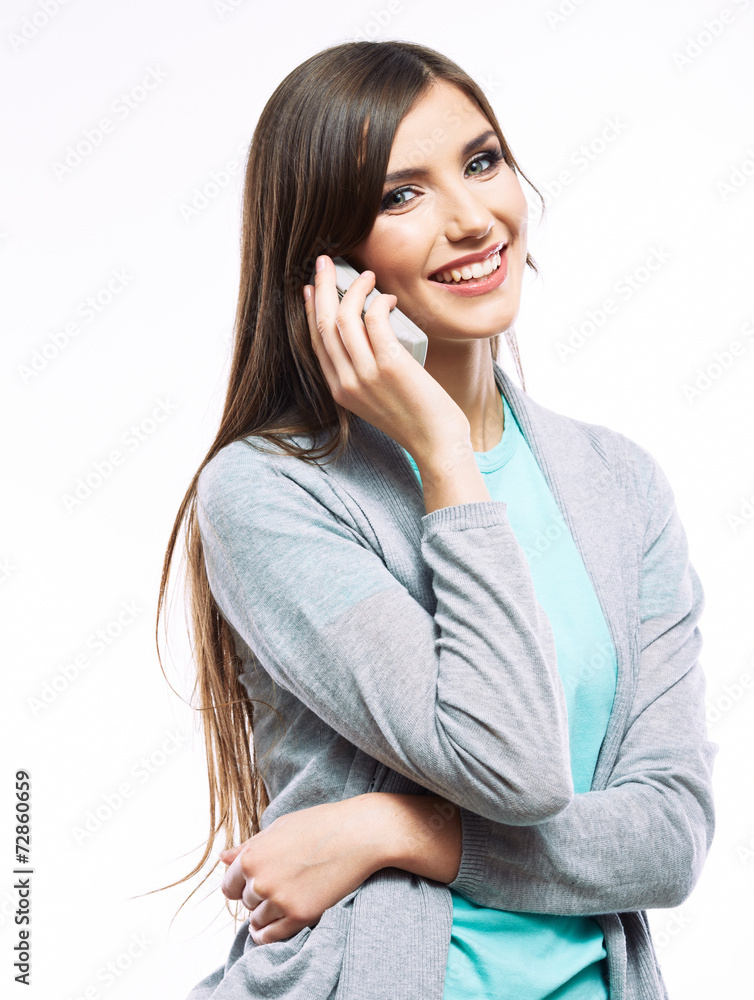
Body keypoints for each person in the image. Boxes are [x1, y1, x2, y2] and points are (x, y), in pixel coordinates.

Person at [155, 39, 718, 1000]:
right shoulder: (270, 494)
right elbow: (511, 767)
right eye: (400, 195)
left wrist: (391, 831)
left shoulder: (621, 486)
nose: (470, 219)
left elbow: (668, 838)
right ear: (329, 264)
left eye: (482, 162)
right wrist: (446, 453)